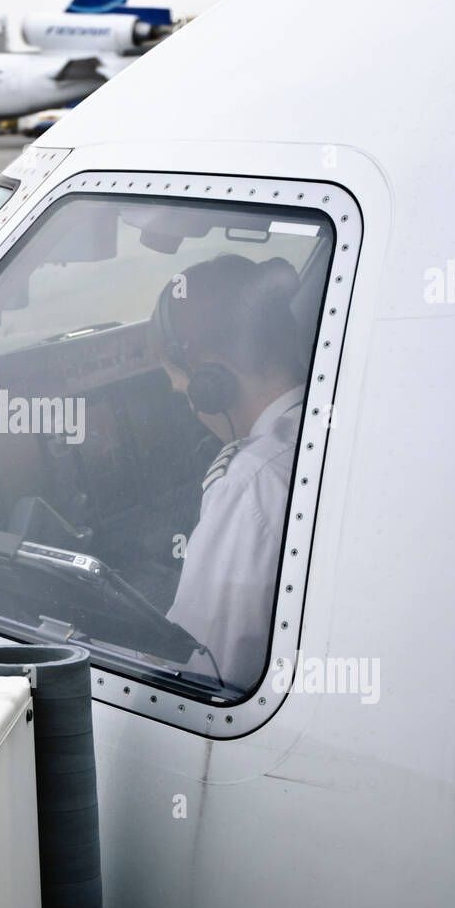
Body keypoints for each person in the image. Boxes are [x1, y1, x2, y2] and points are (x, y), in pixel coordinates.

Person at [148, 253, 306, 690]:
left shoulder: (250, 485)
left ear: (211, 382)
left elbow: (198, 668)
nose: (194, 407)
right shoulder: (331, 422)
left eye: (187, 393)